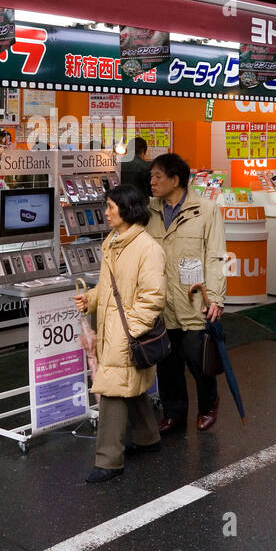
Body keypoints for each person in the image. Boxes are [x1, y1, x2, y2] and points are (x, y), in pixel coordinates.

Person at [74, 184, 165, 482]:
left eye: (111, 207)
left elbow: (152, 297)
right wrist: (91, 300)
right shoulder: (113, 242)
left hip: (125, 333)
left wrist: (131, 333)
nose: (106, 213)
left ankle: (108, 461)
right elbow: (106, 285)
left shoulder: (148, 249)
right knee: (131, 382)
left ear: (127, 209)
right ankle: (148, 438)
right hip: (114, 329)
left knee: (113, 389)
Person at [147, 152, 226, 434]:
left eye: (158, 176)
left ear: (175, 180)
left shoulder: (205, 210)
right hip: (162, 300)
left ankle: (208, 405)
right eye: (151, 176)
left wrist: (216, 296)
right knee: (167, 362)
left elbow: (216, 256)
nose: (152, 181)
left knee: (197, 358)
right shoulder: (149, 210)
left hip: (195, 299)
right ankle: (174, 414)